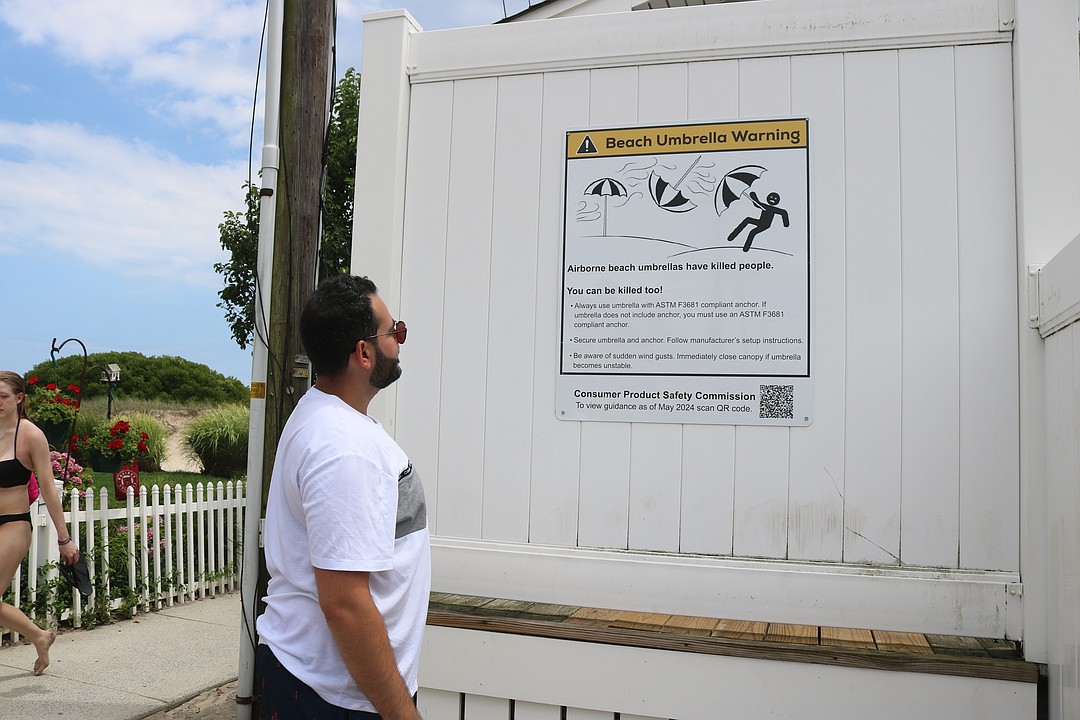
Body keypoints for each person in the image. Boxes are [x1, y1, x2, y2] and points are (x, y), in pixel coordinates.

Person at [255, 275, 429, 719]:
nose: (399, 341)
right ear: (364, 352)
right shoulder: (346, 447)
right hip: (336, 696)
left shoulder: (320, 413)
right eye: (395, 332)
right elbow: (345, 603)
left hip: (318, 679)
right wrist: (400, 712)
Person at [0, 370, 80, 675]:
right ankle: (40, 637)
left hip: (14, 524)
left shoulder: (30, 435)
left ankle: (38, 636)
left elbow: (48, 487)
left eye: (3, 396)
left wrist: (64, 538)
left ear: (20, 398)